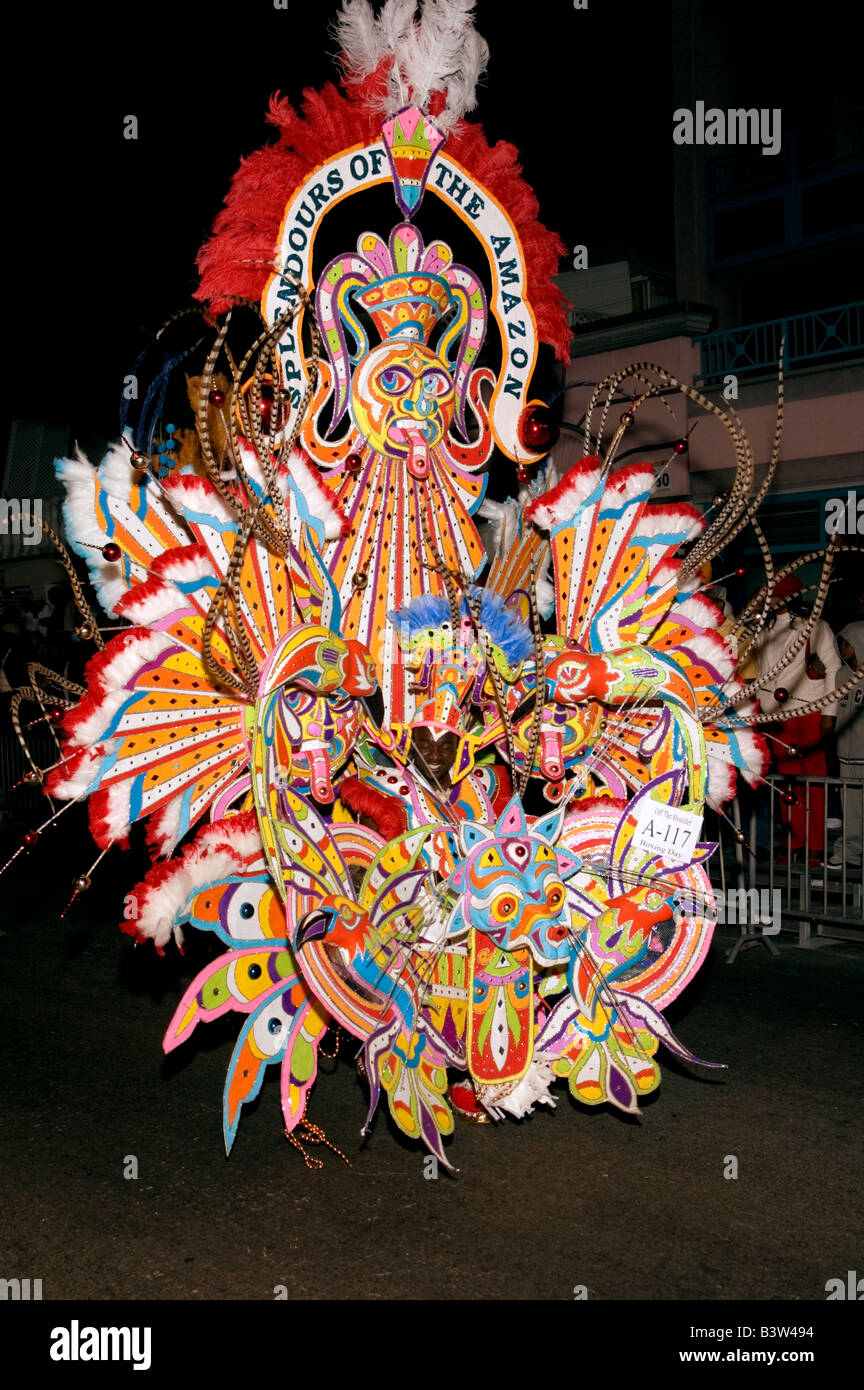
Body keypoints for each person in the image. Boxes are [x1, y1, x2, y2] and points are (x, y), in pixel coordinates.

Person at [757, 576, 841, 864]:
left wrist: (829, 716)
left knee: (814, 782)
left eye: (779, 595)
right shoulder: (765, 629)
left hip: (809, 711)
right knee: (786, 784)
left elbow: (834, 670)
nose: (774, 600)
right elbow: (761, 674)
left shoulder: (815, 626)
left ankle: (816, 845)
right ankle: (793, 842)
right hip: (777, 716)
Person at [825, 623, 864, 870]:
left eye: (847, 642)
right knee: (850, 809)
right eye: (841, 642)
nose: (843, 647)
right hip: (846, 754)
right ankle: (848, 853)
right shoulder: (841, 675)